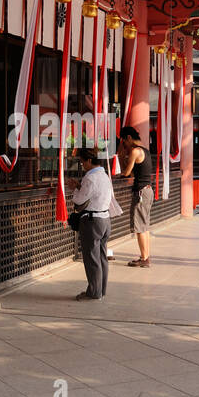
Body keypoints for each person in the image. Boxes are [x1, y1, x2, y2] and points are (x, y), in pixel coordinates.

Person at [71, 146, 117, 300]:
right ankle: (101, 290)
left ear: (89, 160)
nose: (82, 165)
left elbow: (79, 200)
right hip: (105, 219)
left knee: (92, 258)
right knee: (102, 257)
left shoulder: (90, 178)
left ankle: (93, 292)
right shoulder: (104, 175)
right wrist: (80, 186)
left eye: (83, 162)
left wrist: (75, 189)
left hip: (92, 221)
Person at [117, 125, 153, 267]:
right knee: (144, 226)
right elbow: (134, 172)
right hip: (148, 190)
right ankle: (146, 256)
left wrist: (120, 158)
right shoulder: (144, 150)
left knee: (139, 227)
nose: (124, 145)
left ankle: (144, 259)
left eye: (124, 142)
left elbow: (126, 173)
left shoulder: (135, 151)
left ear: (129, 138)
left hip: (141, 193)